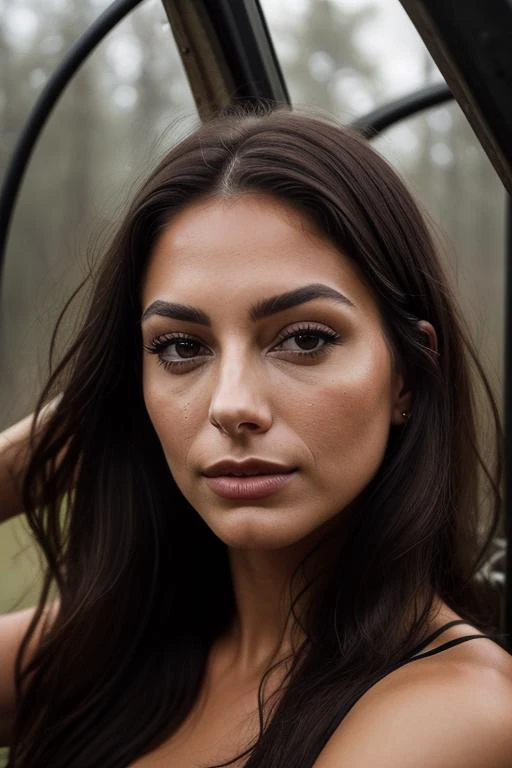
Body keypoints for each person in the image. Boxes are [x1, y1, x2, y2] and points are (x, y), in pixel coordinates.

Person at [0, 105, 511, 768]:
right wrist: (76, 430)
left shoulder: (457, 713)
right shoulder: (113, 653)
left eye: (305, 339)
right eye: (182, 347)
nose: (231, 404)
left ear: (407, 379)